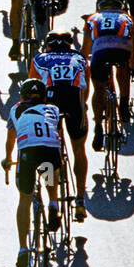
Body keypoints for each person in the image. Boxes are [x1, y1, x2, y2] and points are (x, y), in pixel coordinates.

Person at [1, 78, 65, 267]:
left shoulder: (15, 109)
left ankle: (23, 249)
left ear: (22, 96)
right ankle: (53, 203)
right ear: (45, 97)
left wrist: (7, 159)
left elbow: (11, 140)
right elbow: (57, 133)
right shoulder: (53, 109)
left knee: (24, 199)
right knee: (49, 169)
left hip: (28, 152)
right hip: (49, 151)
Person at [30, 29, 89, 222]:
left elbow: (32, 91)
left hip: (51, 101)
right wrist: (84, 107)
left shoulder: (40, 59)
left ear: (48, 45)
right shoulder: (79, 58)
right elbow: (85, 87)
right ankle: (80, 201)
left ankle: (53, 201)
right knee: (79, 149)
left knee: (47, 152)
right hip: (74, 102)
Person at [81, 0, 134, 150]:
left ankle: (98, 126)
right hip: (121, 50)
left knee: (98, 89)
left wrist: (85, 65)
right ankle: (124, 104)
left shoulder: (92, 18)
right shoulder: (126, 17)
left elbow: (85, 51)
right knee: (124, 67)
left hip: (100, 54)